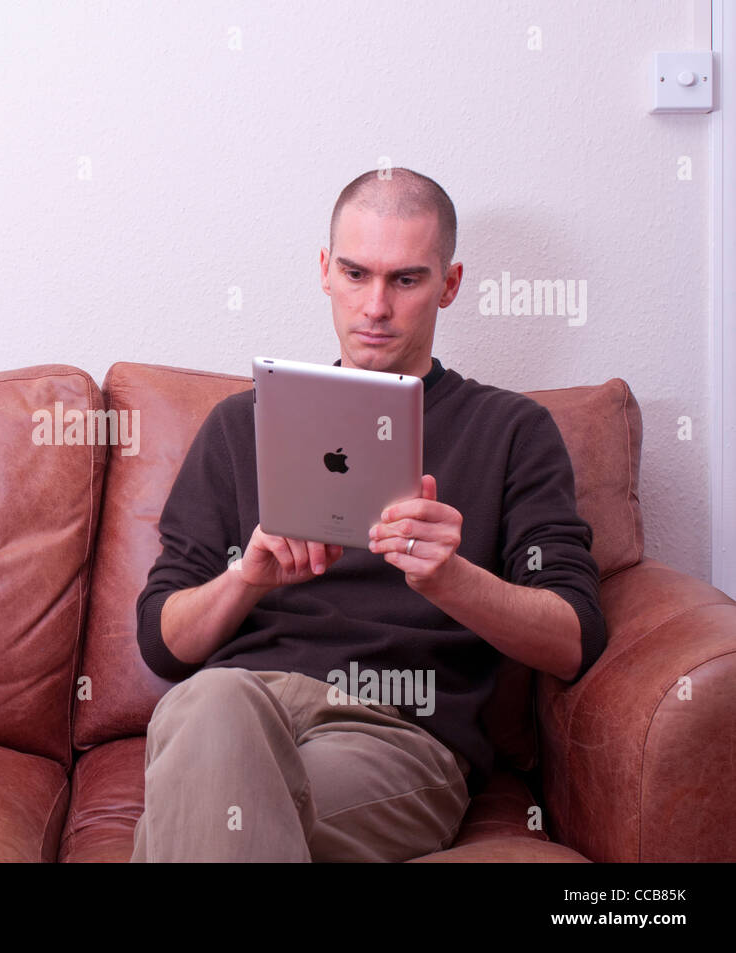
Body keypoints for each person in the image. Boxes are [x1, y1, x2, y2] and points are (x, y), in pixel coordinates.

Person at [129, 167, 607, 862]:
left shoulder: (512, 429)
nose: (375, 306)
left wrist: (452, 580)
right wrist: (247, 578)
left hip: (394, 733)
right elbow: (161, 643)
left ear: (449, 283)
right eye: (356, 274)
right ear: (325, 271)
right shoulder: (244, 424)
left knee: (213, 813)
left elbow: (575, 639)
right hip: (233, 708)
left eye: (406, 280)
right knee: (210, 707)